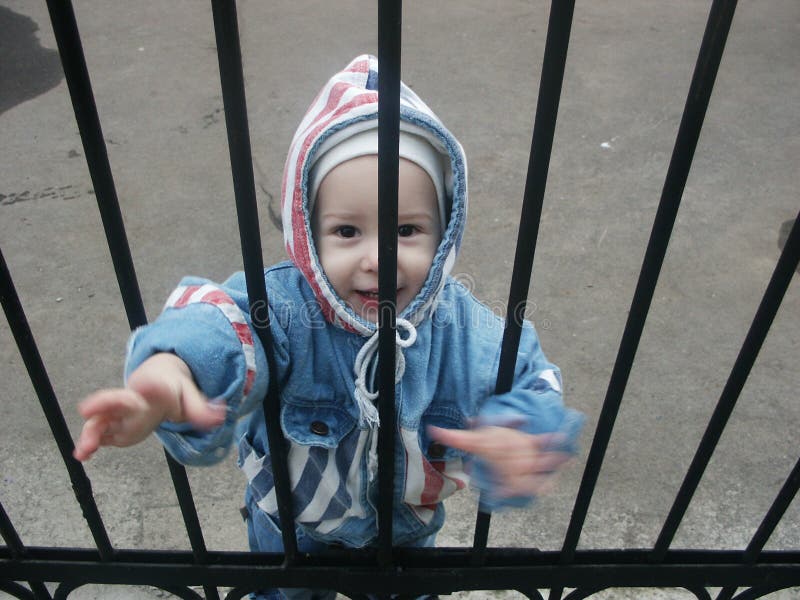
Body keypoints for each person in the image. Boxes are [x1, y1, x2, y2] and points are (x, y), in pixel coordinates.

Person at [73, 55, 583, 600]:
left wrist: (523, 432)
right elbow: (223, 322)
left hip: (406, 532)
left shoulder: (463, 329)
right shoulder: (287, 307)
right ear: (307, 234)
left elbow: (529, 375)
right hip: (290, 521)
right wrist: (176, 369)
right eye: (347, 231)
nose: (379, 259)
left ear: (445, 233)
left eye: (407, 229)